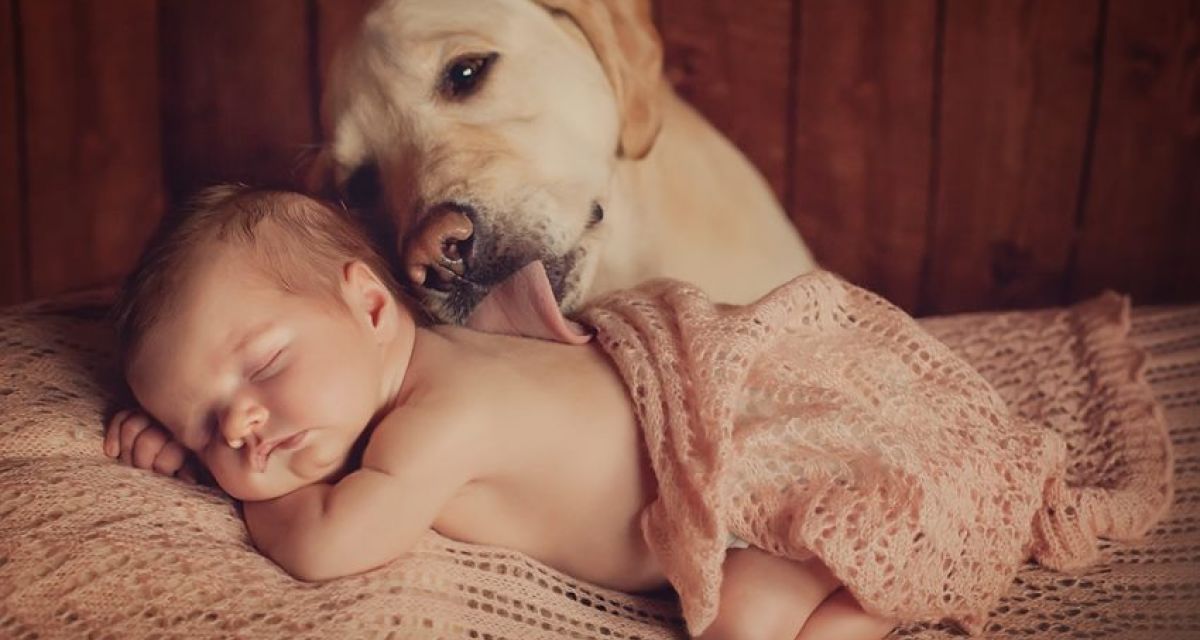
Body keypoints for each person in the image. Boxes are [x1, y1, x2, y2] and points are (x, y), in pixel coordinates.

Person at [107, 186, 1097, 640]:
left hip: (743, 490)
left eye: (262, 365)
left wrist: (211, 473)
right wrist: (203, 438)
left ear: (372, 304)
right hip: (702, 469)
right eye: (204, 423)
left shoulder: (437, 424)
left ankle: (865, 604)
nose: (241, 426)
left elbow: (322, 542)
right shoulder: (426, 357)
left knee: (750, 619)